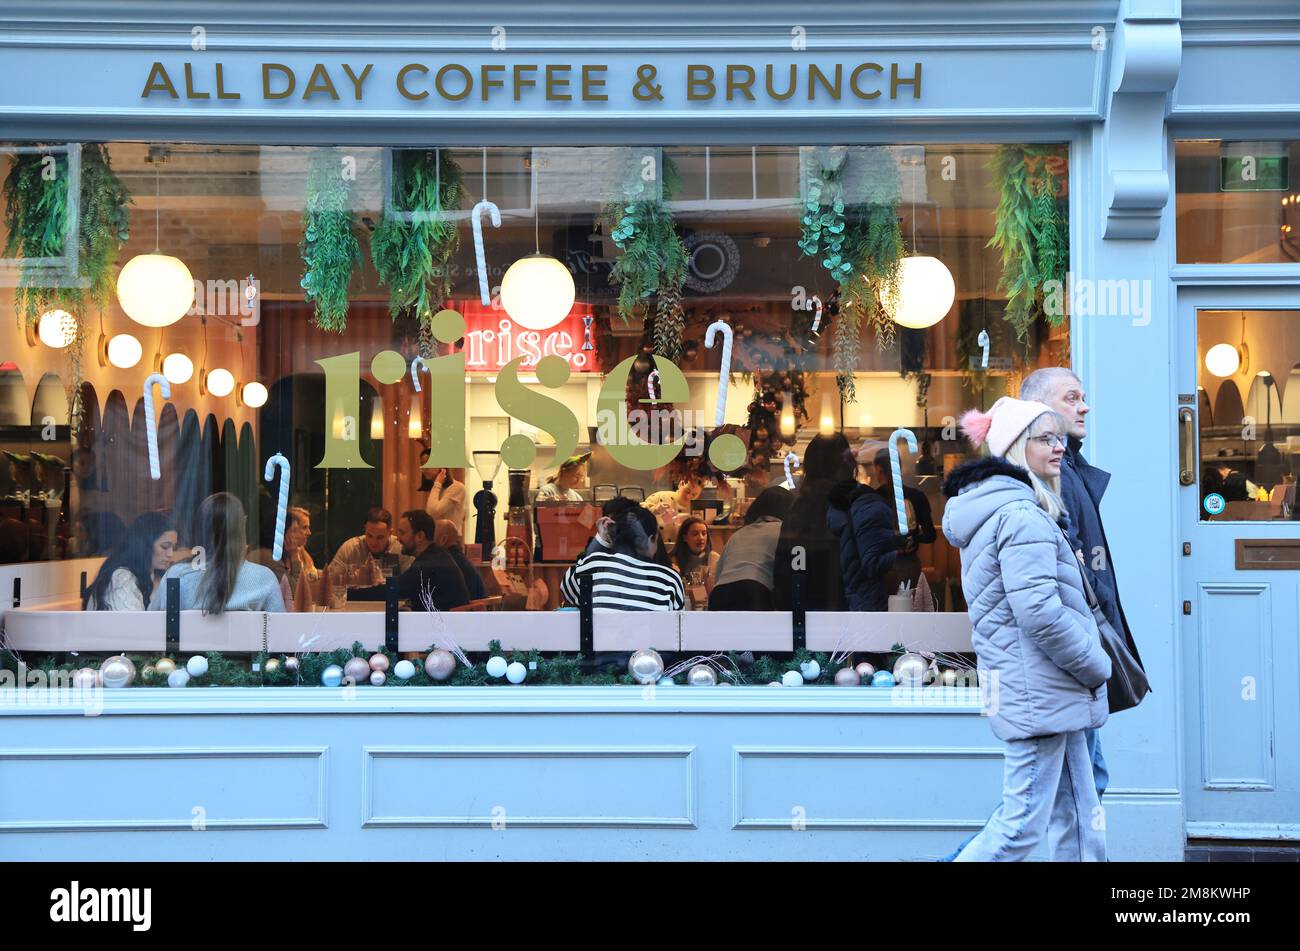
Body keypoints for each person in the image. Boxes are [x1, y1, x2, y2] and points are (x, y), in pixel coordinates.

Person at [941, 397, 1111, 861]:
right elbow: (1039, 612)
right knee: (1021, 827)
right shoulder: (1021, 516)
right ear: (1017, 446)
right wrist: (1096, 663)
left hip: (1050, 687)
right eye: (1045, 439)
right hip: (1039, 687)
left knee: (1078, 816)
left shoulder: (1020, 508)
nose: (1059, 447)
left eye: (1060, 438)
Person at [1019, 366, 1146, 803]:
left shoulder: (1067, 471)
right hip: (1069, 667)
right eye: (1071, 397)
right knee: (1065, 791)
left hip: (1075, 665)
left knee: (1075, 786)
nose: (1084, 406)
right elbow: (1054, 592)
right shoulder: (1050, 481)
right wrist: (1088, 658)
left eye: (1083, 396)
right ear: (1038, 411)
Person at [149, 493, 285, 615]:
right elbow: (279, 634)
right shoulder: (264, 578)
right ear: (241, 528)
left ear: (199, 530)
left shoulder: (176, 575)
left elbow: (151, 624)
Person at [773, 432, 853, 611]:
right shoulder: (849, 505)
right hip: (845, 609)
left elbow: (787, 567)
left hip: (803, 610)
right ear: (843, 466)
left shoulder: (800, 507)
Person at [561, 497, 685, 611]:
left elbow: (568, 593)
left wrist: (601, 541)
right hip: (646, 635)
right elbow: (677, 626)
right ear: (652, 539)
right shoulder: (670, 578)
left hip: (602, 635)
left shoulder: (592, 564)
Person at [348, 509, 469, 611]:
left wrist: (347, 594)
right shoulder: (436, 556)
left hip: (438, 632)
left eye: (402, 533)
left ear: (420, 536)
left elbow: (393, 590)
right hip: (442, 625)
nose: (398, 539)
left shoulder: (428, 563)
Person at [826, 469, 910, 612]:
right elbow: (872, 563)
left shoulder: (844, 513)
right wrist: (901, 554)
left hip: (855, 596)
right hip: (872, 598)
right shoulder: (870, 510)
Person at [709, 485, 792, 611]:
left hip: (720, 593)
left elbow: (718, 573)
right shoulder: (783, 531)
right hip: (755, 590)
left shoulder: (739, 534)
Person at [84, 511, 176, 610]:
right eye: (165, 546)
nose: (171, 554)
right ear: (145, 544)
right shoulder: (121, 578)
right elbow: (133, 624)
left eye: (174, 547)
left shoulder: (154, 576)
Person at [327, 506, 405, 584]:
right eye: (369, 536)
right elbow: (329, 579)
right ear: (365, 529)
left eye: (380, 537)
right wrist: (353, 579)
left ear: (390, 533)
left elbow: (411, 582)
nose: (374, 542)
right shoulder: (351, 547)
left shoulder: (400, 547)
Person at [434, 518, 487, 600]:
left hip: (463, 611)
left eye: (432, 537)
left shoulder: (445, 561)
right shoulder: (460, 558)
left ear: (443, 540)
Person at [672, 516, 720, 596]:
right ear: (684, 537)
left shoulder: (714, 558)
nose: (701, 538)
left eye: (704, 533)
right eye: (695, 534)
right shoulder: (674, 560)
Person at [424, 467, 468, 531]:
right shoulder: (438, 488)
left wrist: (437, 484)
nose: (423, 469)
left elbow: (432, 512)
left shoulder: (457, 487)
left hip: (450, 538)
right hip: (437, 538)